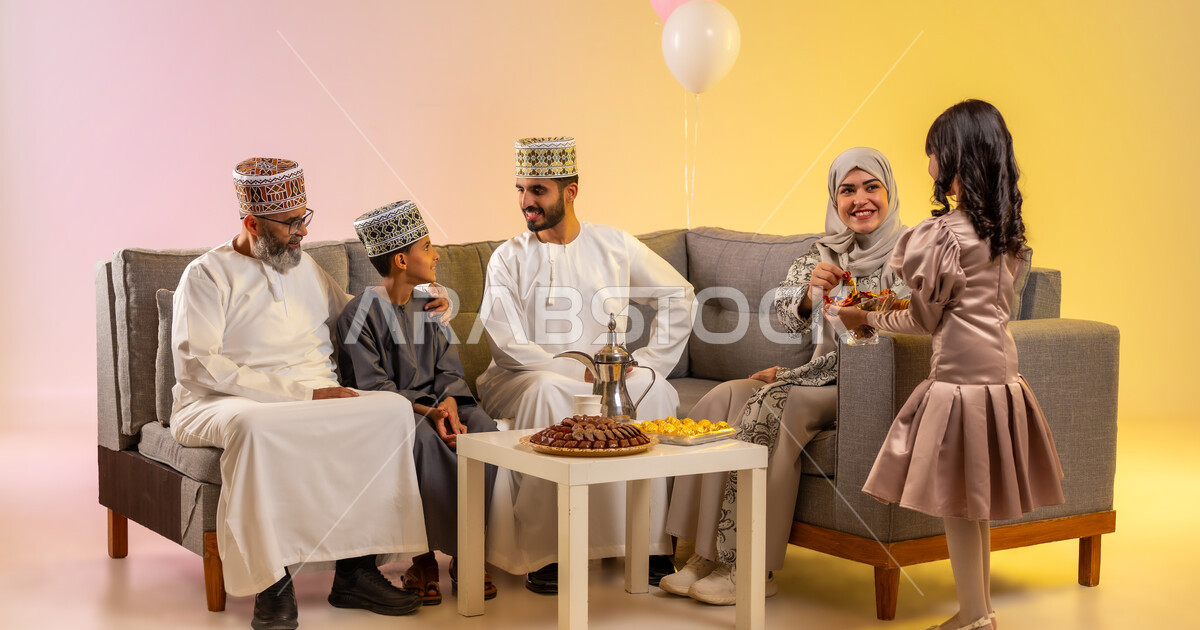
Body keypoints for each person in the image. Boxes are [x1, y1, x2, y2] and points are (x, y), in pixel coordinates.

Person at [169, 158, 435, 630]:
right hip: (221, 402)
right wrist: (300, 395)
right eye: (291, 224)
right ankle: (272, 586)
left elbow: (356, 314)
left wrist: (424, 299)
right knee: (254, 427)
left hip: (318, 396)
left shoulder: (304, 266)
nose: (303, 233)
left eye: (304, 219)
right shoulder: (206, 275)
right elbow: (201, 366)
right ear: (252, 223)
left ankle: (356, 573)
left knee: (392, 411)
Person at [836, 100, 1065, 630]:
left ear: (957, 156)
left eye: (934, 150)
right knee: (975, 499)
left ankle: (975, 616)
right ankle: (977, 609)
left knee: (959, 506)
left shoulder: (943, 235)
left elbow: (922, 318)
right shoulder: (1005, 231)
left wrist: (866, 317)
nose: (929, 161)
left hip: (960, 379)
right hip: (1002, 375)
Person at [661, 147, 911, 605]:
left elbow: (894, 332)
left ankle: (749, 565)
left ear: (889, 192)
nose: (860, 199)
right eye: (847, 189)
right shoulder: (822, 253)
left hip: (869, 388)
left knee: (776, 400)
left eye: (871, 187)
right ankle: (703, 554)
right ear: (834, 200)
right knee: (723, 399)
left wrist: (798, 374)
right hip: (816, 378)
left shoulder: (913, 254)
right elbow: (785, 318)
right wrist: (810, 295)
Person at [478, 137, 695, 593]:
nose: (525, 202)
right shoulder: (508, 257)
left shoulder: (613, 244)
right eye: (521, 190)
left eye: (538, 191)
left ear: (570, 192)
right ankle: (548, 550)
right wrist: (574, 372)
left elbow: (679, 295)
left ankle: (650, 543)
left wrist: (649, 362)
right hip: (523, 376)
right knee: (548, 392)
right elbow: (504, 340)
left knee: (655, 390)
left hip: (605, 377)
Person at [335, 200, 500, 606]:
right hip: (395, 413)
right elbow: (375, 386)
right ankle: (422, 559)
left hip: (442, 404)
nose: (436, 254)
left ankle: (468, 554)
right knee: (424, 442)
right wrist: (432, 412)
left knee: (484, 432)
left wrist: (448, 405)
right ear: (402, 259)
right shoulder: (359, 313)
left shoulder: (431, 304)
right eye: (428, 247)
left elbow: (447, 369)